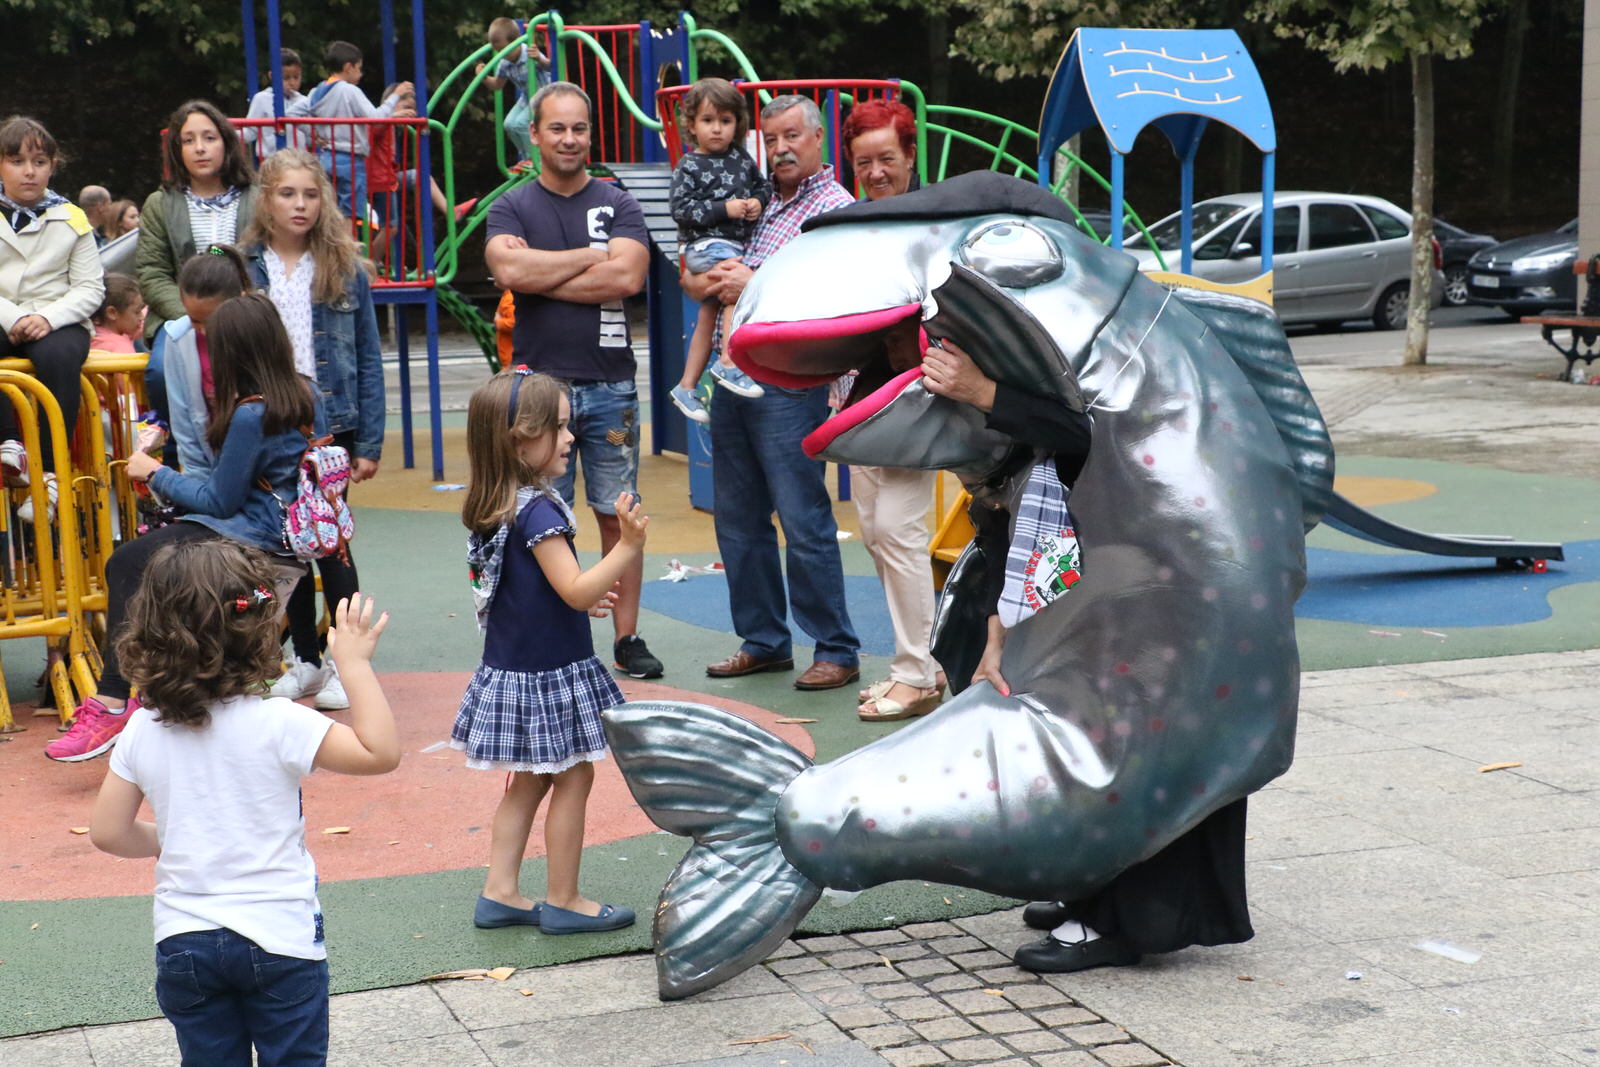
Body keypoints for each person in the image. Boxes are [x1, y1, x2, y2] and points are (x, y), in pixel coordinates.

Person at [89, 541, 397, 1067]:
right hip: (280, 935)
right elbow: (380, 752)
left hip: (185, 937)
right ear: (259, 629)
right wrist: (353, 664)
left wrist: (180, 836)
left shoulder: (143, 726)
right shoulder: (278, 721)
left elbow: (109, 833)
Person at [45, 292, 324, 763]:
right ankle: (152, 693)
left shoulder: (252, 412)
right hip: (288, 537)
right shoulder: (305, 391)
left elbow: (219, 499)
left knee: (129, 562)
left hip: (250, 537)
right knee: (155, 559)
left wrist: (154, 472)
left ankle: (115, 699)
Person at [484, 81, 663, 681]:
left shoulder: (619, 200)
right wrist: (591, 257)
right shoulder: (512, 206)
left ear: (591, 134)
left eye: (579, 128)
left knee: (619, 513)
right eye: (556, 128)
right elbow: (508, 268)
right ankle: (555, 626)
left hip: (610, 383)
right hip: (538, 388)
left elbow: (628, 279)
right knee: (537, 513)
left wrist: (544, 273)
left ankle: (628, 636)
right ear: (533, 134)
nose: (569, 138)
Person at [453, 368, 642, 935]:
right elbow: (574, 587)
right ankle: (564, 899)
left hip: (513, 666)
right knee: (574, 777)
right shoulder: (538, 509)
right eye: (557, 428)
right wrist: (627, 547)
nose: (569, 438)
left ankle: (501, 890)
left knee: (528, 778)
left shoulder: (497, 501)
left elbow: (540, 590)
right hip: (548, 673)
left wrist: (581, 601)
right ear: (518, 437)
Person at [683, 95, 861, 691]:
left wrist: (750, 280)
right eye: (772, 138)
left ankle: (835, 648)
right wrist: (703, 277)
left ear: (817, 139)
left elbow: (839, 293)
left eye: (792, 136)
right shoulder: (762, 204)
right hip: (732, 378)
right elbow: (707, 269)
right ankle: (764, 640)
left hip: (791, 384)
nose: (781, 147)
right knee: (737, 520)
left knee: (803, 517)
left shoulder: (835, 208)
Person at [242, 148, 386, 711]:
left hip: (333, 425)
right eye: (287, 194)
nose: (300, 205)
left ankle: (345, 662)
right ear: (267, 199)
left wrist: (368, 442)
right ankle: (304, 661)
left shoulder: (344, 268)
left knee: (331, 544)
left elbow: (369, 356)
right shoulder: (247, 265)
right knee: (287, 543)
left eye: (309, 194)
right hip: (270, 420)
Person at [834, 99, 941, 722]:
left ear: (909, 158)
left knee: (900, 531)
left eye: (887, 160)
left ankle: (917, 674)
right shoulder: (856, 226)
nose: (876, 172)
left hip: (917, 397)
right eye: (864, 162)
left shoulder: (931, 223)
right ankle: (921, 660)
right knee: (876, 531)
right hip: (865, 398)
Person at [0, 116, 105, 525]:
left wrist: (47, 316)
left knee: (61, 357)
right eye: (17, 160)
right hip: (5, 315)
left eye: (39, 161)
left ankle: (49, 475)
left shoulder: (74, 218)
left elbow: (90, 288)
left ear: (53, 165)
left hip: (57, 319)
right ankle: (9, 443)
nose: (29, 170)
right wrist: (17, 316)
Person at [136, 99, 257, 420]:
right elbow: (152, 274)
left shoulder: (256, 197)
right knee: (161, 371)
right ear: (176, 150)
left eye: (209, 138)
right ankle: (175, 451)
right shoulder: (160, 204)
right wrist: (193, 316)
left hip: (245, 312)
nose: (199, 148)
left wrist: (237, 312)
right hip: (181, 316)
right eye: (188, 141)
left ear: (227, 143)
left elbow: (264, 264)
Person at [665, 77, 771, 426]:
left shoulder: (741, 159)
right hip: (704, 244)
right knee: (733, 292)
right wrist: (727, 209)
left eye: (725, 122)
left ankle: (687, 385)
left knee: (708, 313)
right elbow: (682, 209)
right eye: (708, 121)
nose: (717, 129)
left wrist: (756, 201)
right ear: (692, 125)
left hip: (728, 244)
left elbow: (763, 185)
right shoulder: (689, 166)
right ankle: (728, 363)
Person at [160, 246, 255, 477]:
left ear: (239, 300)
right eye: (194, 320)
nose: (203, 331)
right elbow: (183, 423)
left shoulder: (258, 332)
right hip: (208, 468)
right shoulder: (178, 339)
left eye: (212, 320)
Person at [300, 41, 411, 224]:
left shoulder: (317, 91)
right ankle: (345, 251)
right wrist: (395, 97)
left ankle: (329, 250)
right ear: (348, 67)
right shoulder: (350, 91)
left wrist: (313, 135)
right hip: (350, 159)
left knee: (328, 211)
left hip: (326, 158)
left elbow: (293, 113)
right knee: (350, 213)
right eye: (359, 68)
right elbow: (375, 118)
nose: (360, 74)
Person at [477, 17, 552, 165]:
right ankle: (526, 158)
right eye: (497, 51)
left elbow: (551, 67)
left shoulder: (529, 52)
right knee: (509, 124)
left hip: (544, 95)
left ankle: (535, 158)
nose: (501, 54)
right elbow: (497, 85)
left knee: (520, 123)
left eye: (503, 49)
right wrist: (484, 77)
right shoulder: (505, 63)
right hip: (527, 97)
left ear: (515, 42)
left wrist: (539, 59)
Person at [241, 47, 312, 156]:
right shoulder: (262, 99)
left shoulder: (304, 101)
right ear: (272, 76)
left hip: (298, 160)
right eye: (286, 78)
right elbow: (251, 131)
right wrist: (227, 134)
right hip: (270, 159)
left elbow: (309, 134)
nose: (292, 82)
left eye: (296, 77)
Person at [90, 272, 144, 353]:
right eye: (137, 312)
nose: (142, 317)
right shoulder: (121, 349)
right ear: (112, 313)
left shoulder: (93, 332)